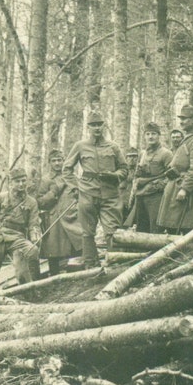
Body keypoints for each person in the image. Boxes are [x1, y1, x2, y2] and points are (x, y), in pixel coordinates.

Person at [64, 109, 127, 268]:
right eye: (93, 125)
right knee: (87, 232)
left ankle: (114, 263)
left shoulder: (113, 147)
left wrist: (115, 175)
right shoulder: (80, 146)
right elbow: (67, 169)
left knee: (112, 231)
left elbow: (125, 169)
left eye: (99, 124)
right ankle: (90, 265)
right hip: (87, 193)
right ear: (88, 127)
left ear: (104, 126)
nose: (97, 128)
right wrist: (75, 189)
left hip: (110, 195)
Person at [157, 105, 193, 234]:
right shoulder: (188, 139)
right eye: (180, 118)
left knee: (186, 229)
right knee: (171, 228)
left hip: (185, 193)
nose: (181, 122)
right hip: (175, 187)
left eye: (184, 119)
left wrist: (185, 189)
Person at [35, 149, 81, 276]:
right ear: (49, 163)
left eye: (59, 160)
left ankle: (78, 277)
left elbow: (81, 194)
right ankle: (54, 278)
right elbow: (40, 202)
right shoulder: (46, 180)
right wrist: (54, 192)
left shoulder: (72, 177)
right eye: (54, 161)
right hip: (55, 220)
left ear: (64, 161)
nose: (57, 163)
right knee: (54, 252)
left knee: (79, 248)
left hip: (72, 217)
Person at [131, 122, 173, 233]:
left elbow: (172, 175)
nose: (150, 136)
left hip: (157, 196)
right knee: (141, 228)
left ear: (159, 136)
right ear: (144, 136)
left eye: (153, 133)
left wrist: (159, 185)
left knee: (155, 228)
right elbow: (137, 174)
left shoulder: (166, 154)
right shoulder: (142, 154)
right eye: (148, 134)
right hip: (141, 195)